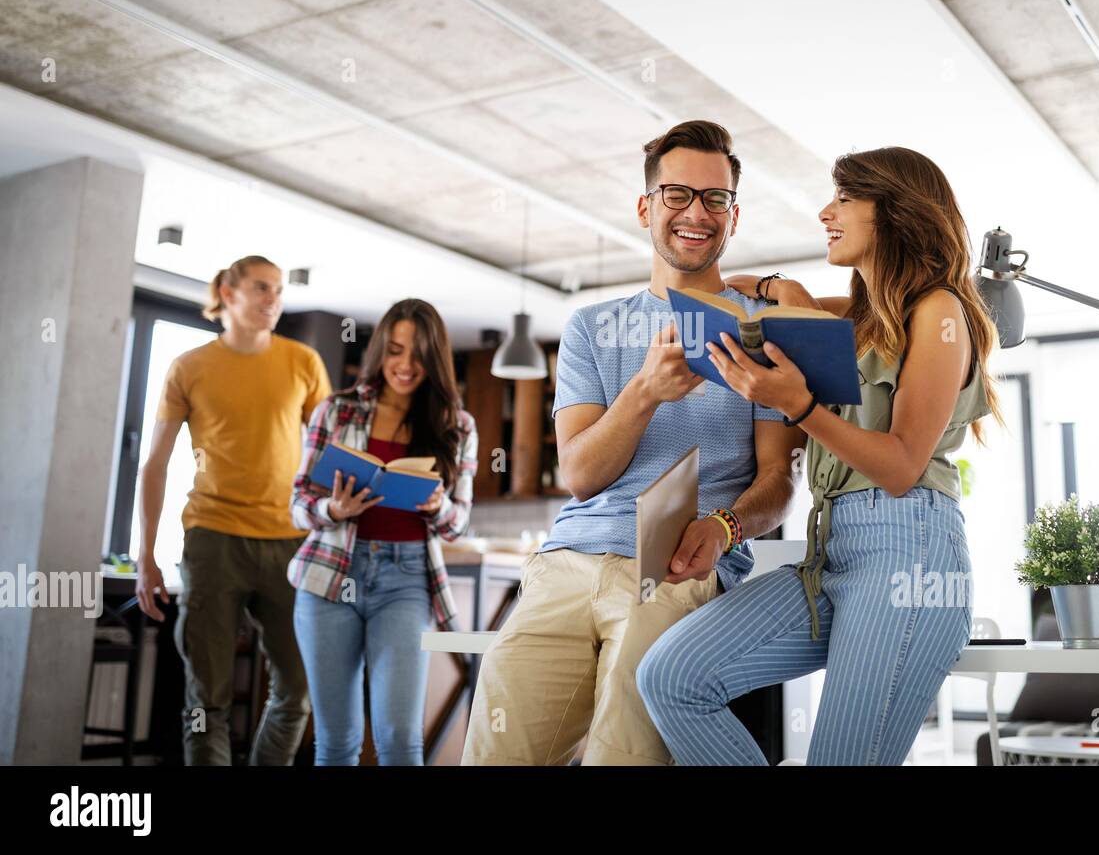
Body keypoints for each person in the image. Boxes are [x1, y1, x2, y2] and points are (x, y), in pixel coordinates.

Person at [637, 146, 1001, 765]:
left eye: (845, 199)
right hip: (830, 556)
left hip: (907, 555)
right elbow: (796, 312)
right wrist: (775, 288)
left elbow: (901, 466)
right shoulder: (866, 317)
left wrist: (800, 407)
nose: (825, 211)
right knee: (672, 678)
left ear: (894, 212)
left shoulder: (940, 312)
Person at [461, 120, 806, 765]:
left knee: (627, 753)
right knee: (497, 749)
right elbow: (581, 475)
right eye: (678, 195)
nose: (696, 213)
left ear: (733, 217)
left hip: (674, 572)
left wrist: (727, 527)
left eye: (715, 198)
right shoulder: (592, 328)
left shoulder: (763, 329)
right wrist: (643, 393)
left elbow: (780, 482)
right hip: (566, 563)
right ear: (647, 207)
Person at [135, 255, 332, 765]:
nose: (274, 300)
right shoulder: (189, 367)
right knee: (207, 700)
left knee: (297, 690)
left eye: (280, 291)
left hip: (291, 543)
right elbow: (153, 465)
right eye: (263, 288)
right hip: (212, 539)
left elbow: (328, 454)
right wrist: (146, 556)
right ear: (228, 292)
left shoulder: (303, 362)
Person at [289, 298, 477, 765]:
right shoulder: (336, 411)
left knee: (399, 739)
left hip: (407, 580)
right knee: (337, 742)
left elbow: (459, 523)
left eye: (418, 355)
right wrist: (332, 508)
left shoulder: (457, 426)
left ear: (435, 360)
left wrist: (438, 506)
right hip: (330, 575)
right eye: (394, 351)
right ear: (379, 352)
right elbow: (297, 506)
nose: (405, 366)